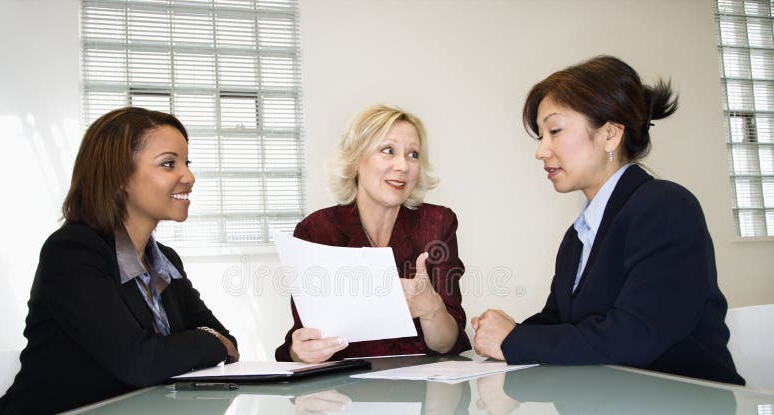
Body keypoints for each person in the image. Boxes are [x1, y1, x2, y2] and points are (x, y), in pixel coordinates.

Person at [471, 56, 744, 385]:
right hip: (611, 412)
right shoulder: (579, 235)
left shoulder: (666, 206)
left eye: (555, 131)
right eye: (540, 136)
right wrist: (504, 332)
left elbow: (633, 335)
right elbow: (560, 321)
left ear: (611, 135)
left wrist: (513, 340)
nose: (541, 151)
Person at [0, 107, 239, 415]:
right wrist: (202, 342)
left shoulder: (165, 260)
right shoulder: (73, 252)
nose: (188, 176)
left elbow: (226, 342)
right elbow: (140, 363)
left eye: (187, 163)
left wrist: (201, 343)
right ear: (119, 177)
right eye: (169, 163)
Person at [275, 104, 470, 362]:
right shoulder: (317, 231)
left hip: (424, 391)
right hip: (345, 393)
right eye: (388, 151)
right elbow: (305, 341)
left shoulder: (437, 223)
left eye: (413, 154)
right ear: (356, 159)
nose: (403, 165)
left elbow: (447, 344)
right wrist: (300, 351)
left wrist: (431, 307)